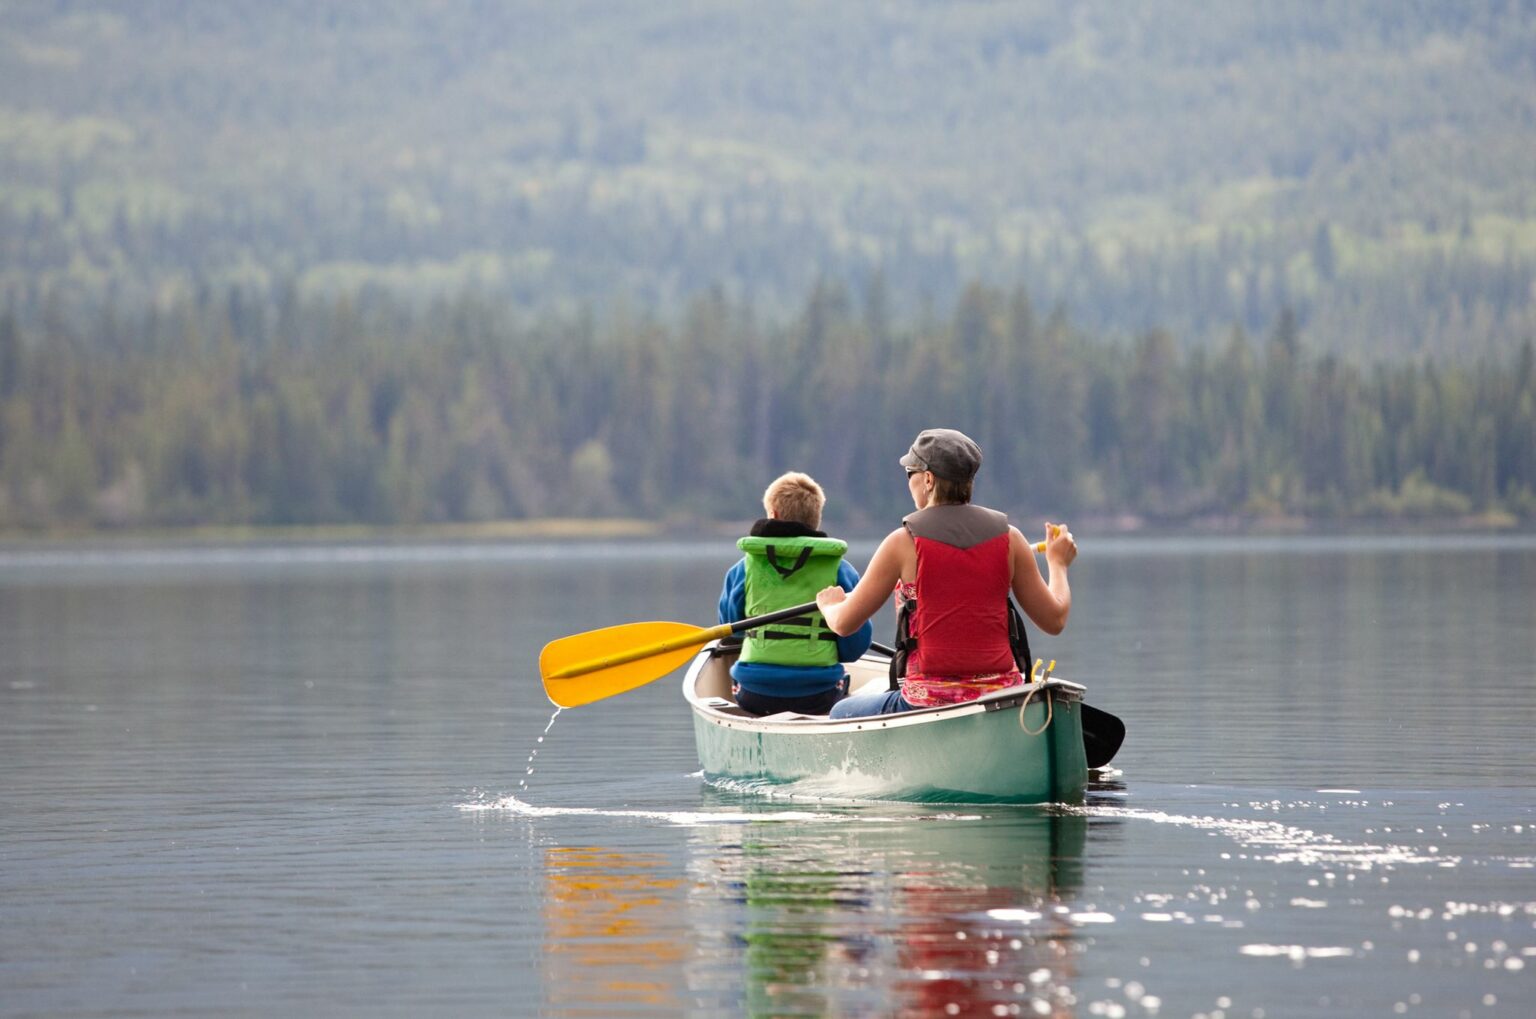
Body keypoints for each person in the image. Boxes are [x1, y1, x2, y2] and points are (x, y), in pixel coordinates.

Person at [816, 428, 1076, 718]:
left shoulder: (902, 543)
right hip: (1002, 699)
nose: (909, 483)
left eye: (910, 474)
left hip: (925, 702)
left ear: (927, 479)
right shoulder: (1010, 539)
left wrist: (830, 604)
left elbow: (843, 624)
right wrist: (1058, 564)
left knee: (840, 711)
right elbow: (1055, 619)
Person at [718, 471, 874, 716]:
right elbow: (854, 648)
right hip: (819, 696)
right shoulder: (842, 572)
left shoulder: (742, 569)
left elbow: (733, 631)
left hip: (754, 694)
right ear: (816, 521)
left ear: (774, 515)